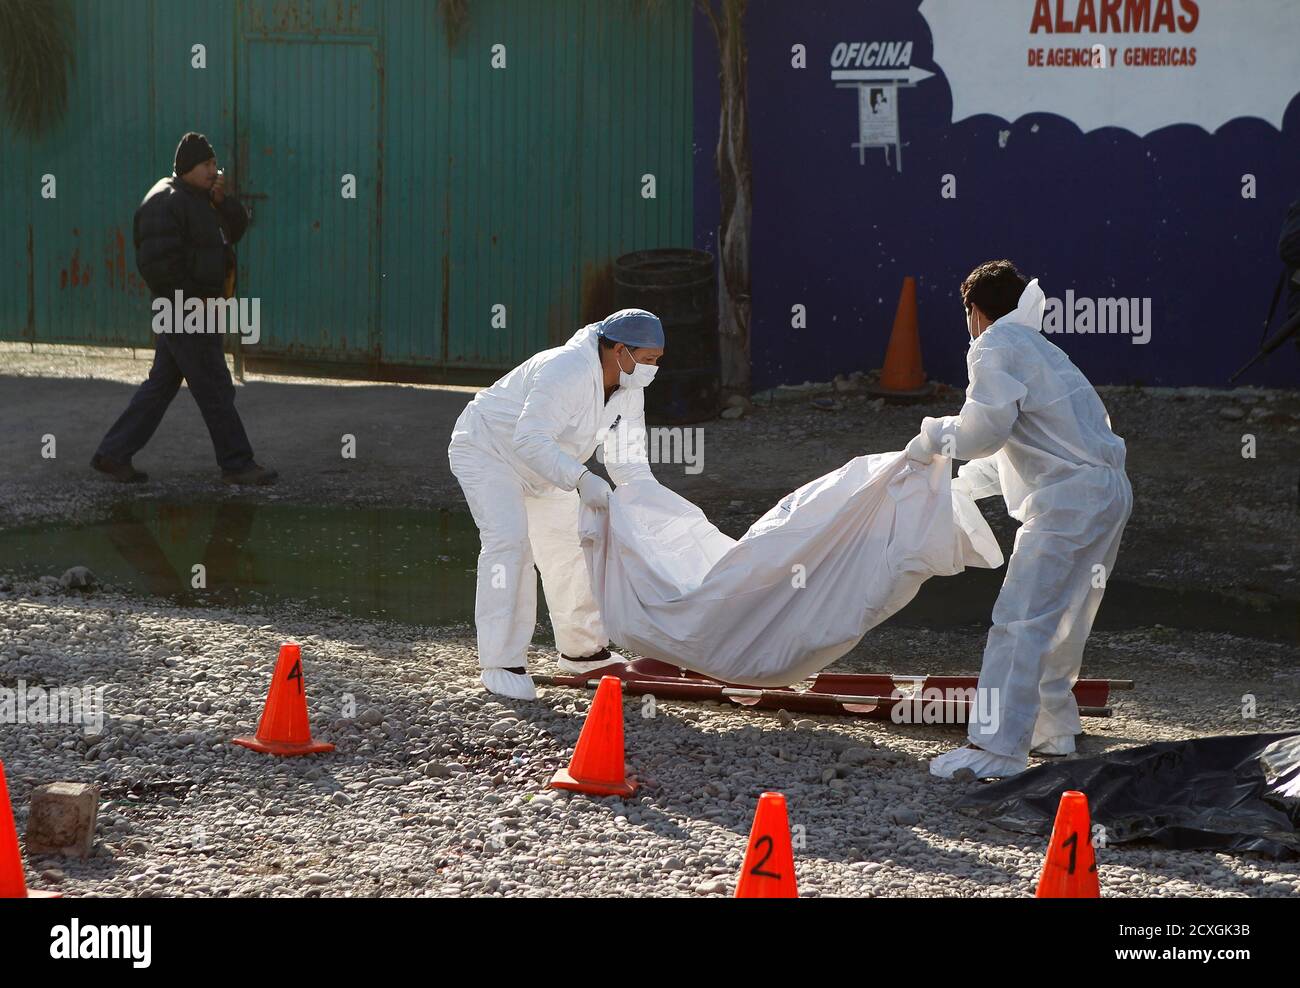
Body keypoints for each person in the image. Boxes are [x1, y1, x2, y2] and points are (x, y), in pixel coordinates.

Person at [905, 260, 1132, 779]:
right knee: (1063, 619)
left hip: (1069, 501)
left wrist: (930, 438)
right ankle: (1051, 729)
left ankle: (997, 749)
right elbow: (1024, 446)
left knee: (1021, 620)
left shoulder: (993, 345)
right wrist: (958, 485)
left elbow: (984, 433)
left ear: (976, 312)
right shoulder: (1043, 349)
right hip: (1106, 492)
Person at [448, 309, 665, 700]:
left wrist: (647, 502)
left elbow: (627, 458)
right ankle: (501, 662)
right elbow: (529, 438)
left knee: (570, 548)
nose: (653, 369)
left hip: (550, 466)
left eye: (657, 361)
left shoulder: (630, 388)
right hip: (490, 452)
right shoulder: (565, 369)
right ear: (620, 350)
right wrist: (582, 479)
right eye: (648, 360)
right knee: (510, 543)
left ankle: (582, 652)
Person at [91, 132, 276, 486]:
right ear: (188, 167)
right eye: (207, 165)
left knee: (161, 385)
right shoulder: (166, 202)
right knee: (215, 386)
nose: (214, 170)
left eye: (213, 164)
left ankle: (113, 454)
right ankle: (237, 463)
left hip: (193, 310)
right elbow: (159, 265)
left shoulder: (201, 199)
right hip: (187, 311)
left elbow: (232, 232)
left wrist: (223, 202)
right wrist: (192, 305)